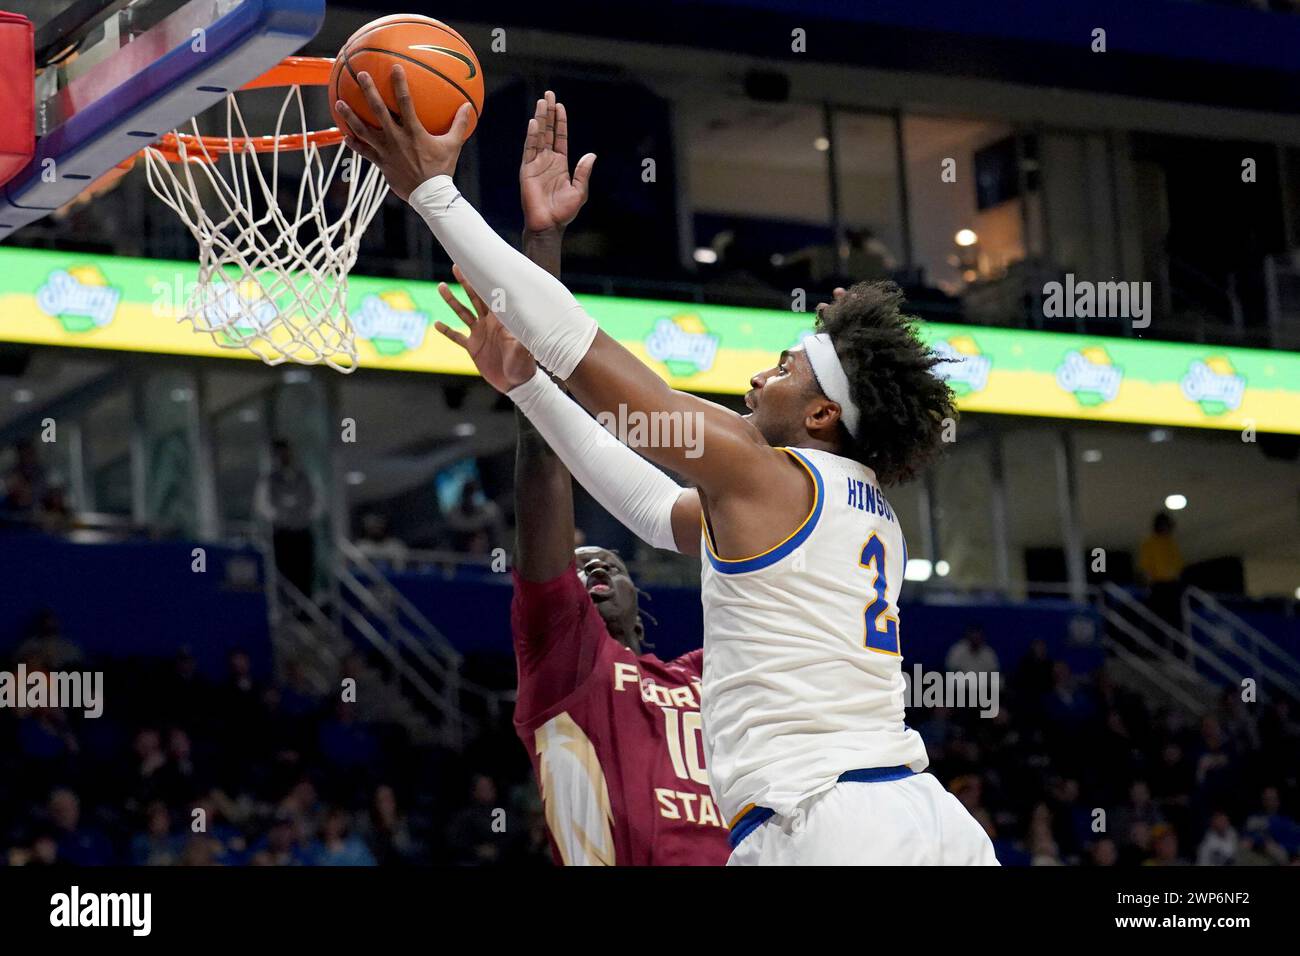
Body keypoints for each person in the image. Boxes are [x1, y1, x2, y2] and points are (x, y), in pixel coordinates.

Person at [340, 72, 995, 864]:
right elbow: (651, 506)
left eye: (785, 370)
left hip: (830, 823)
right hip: (921, 815)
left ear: (824, 416)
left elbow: (590, 357)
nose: (759, 379)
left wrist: (432, 193)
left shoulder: (764, 472)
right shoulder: (860, 512)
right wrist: (525, 388)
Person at [455, 95, 728, 864]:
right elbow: (545, 460)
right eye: (576, 568)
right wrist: (542, 246)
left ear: (645, 598)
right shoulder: (565, 657)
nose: (591, 565)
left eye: (604, 561)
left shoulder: (712, 671)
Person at [253, 439, 323, 599]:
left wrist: (304, 516)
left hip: (303, 531)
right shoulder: (268, 480)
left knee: (305, 570)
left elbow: (318, 502)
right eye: (279, 453)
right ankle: (287, 605)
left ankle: (305, 608)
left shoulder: (306, 477)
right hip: (282, 533)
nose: (284, 456)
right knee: (284, 570)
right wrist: (280, 516)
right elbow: (262, 505)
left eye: (286, 452)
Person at [1137, 511, 1185, 637]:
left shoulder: (1171, 543)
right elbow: (1146, 567)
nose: (1167, 529)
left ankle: (1177, 648)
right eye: (1165, 525)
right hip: (1158, 585)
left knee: (1176, 618)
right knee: (1156, 618)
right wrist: (1148, 583)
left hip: (1173, 585)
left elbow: (1178, 565)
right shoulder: (1150, 544)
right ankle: (1157, 645)